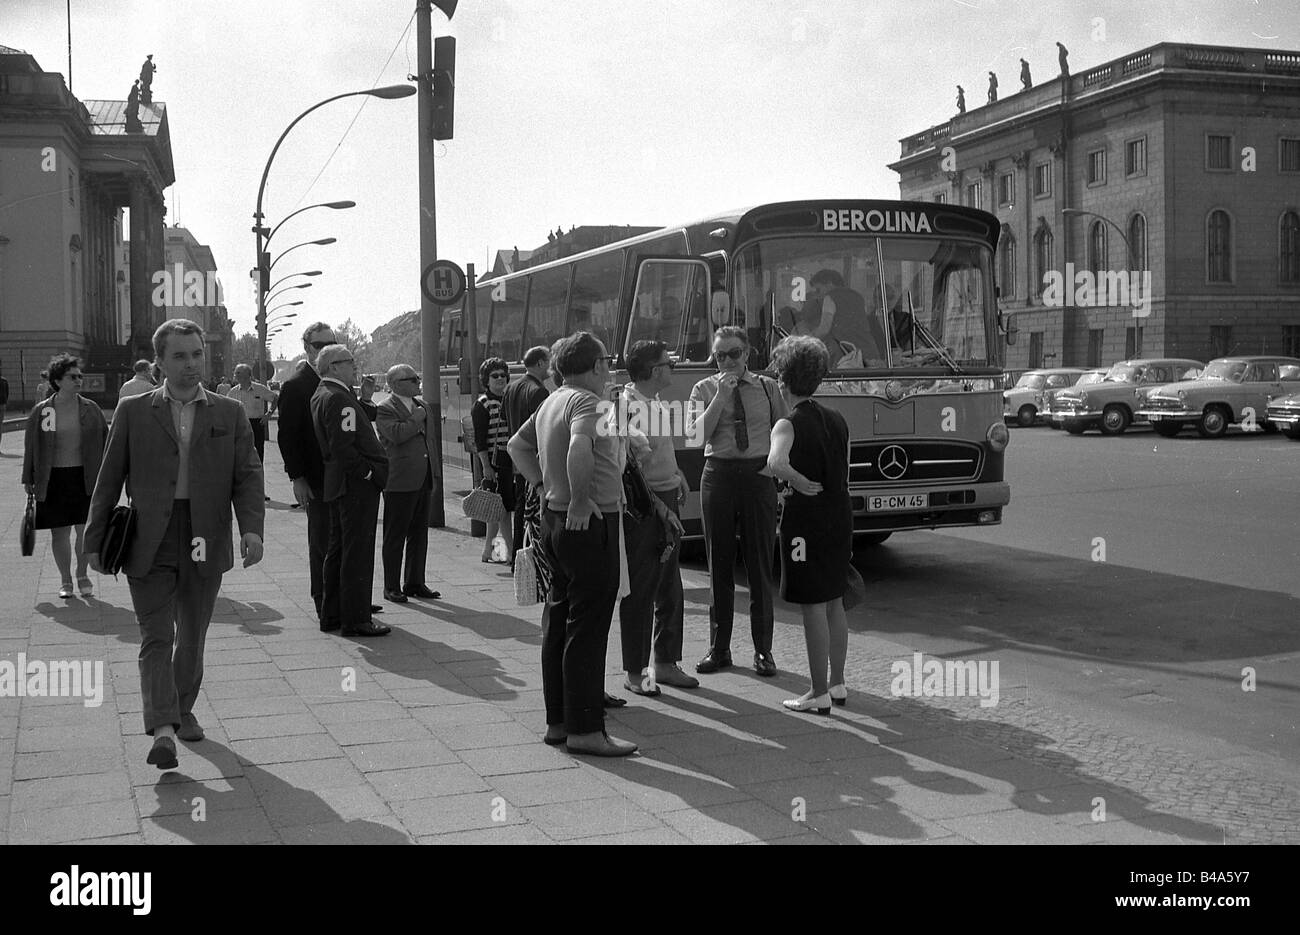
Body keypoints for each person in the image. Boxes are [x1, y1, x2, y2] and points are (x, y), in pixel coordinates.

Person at [84, 319, 264, 770]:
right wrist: (93, 538)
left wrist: (252, 529)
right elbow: (108, 479)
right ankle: (163, 729)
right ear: (160, 362)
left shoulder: (229, 412)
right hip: (149, 537)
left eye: (197, 354)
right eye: (179, 356)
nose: (190, 364)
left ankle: (182, 710)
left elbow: (247, 474)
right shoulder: (133, 411)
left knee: (193, 635)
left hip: (205, 534)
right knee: (155, 635)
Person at [507, 332, 638, 757]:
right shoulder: (588, 403)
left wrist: (546, 484)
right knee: (588, 628)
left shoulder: (551, 401)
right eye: (606, 361)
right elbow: (581, 444)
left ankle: (559, 723)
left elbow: (516, 446)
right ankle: (586, 730)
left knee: (558, 621)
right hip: (588, 520)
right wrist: (580, 499)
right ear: (596, 365)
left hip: (553, 520)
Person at [686, 326, 788, 677]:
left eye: (733, 354)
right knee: (720, 564)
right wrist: (720, 398)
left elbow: (783, 431)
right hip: (719, 474)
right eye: (720, 356)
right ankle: (720, 648)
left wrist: (777, 470)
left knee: (760, 565)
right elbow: (695, 435)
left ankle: (764, 651)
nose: (727, 361)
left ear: (747, 354)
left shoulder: (767, 387)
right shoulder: (704, 388)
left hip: (758, 476)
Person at [766, 336, 852, 715]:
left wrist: (797, 482)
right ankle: (837, 683)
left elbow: (775, 463)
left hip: (807, 518)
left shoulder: (788, 423)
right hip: (839, 513)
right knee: (835, 600)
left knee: (812, 605)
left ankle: (817, 690)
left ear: (783, 381)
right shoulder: (836, 418)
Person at [276, 323, 380, 624]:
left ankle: (346, 599)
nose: (326, 347)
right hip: (319, 478)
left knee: (342, 543)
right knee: (323, 542)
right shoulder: (298, 385)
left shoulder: (333, 382)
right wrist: (297, 477)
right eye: (320, 343)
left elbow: (356, 418)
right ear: (307, 347)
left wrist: (365, 399)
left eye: (331, 342)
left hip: (341, 480)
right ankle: (325, 603)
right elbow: (288, 436)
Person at [617, 341, 695, 693]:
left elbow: (661, 449)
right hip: (644, 506)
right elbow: (630, 469)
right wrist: (659, 505)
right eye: (668, 364)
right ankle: (636, 671)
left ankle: (665, 661)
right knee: (642, 586)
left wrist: (676, 473)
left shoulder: (655, 402)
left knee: (668, 584)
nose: (672, 369)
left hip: (664, 496)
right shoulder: (627, 407)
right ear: (652, 371)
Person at [311, 344, 390, 638]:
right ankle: (357, 619)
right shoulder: (339, 399)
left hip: (340, 484)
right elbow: (344, 446)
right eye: (350, 362)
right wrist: (368, 472)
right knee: (357, 552)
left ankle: (332, 614)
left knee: (339, 549)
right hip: (355, 486)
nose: (355, 366)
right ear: (333, 366)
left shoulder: (325, 394)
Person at [22, 355, 109, 598]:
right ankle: (65, 580)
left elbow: (107, 442)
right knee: (59, 532)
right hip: (54, 478)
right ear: (58, 381)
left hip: (85, 477)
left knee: (84, 530)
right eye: (73, 377)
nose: (79, 380)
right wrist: (28, 478)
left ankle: (82, 575)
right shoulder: (43, 411)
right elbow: (33, 446)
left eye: (80, 376)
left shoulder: (91, 410)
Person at [375, 363, 442, 604]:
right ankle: (391, 586)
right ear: (395, 384)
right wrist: (415, 419)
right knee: (395, 535)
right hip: (399, 480)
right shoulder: (384, 409)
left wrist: (434, 473)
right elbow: (395, 435)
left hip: (422, 477)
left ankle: (414, 581)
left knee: (418, 533)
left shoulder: (422, 406)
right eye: (412, 379)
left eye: (417, 378)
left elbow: (431, 443)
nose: (417, 382)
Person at [501, 345, 550, 567]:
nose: (549, 367)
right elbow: (543, 429)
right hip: (534, 459)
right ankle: (529, 560)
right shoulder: (539, 391)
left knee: (520, 507)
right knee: (533, 510)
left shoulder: (511, 388)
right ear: (540, 363)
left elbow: (504, 419)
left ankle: (516, 558)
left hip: (517, 457)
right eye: (547, 361)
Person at [470, 357, 515, 564]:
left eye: (503, 375)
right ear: (486, 380)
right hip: (495, 462)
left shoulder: (509, 399)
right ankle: (510, 552)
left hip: (509, 459)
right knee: (503, 509)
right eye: (494, 376)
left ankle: (489, 550)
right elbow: (479, 440)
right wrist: (486, 466)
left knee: (496, 509)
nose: (500, 379)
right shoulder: (482, 405)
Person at [802, 269, 886, 368]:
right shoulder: (857, 297)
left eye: (818, 290)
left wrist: (804, 342)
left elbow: (824, 329)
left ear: (829, 283)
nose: (817, 295)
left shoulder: (830, 297)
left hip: (849, 355)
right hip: (870, 351)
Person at [226, 363, 276, 476]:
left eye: (238, 373)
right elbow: (226, 409)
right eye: (235, 373)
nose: (235, 375)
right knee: (241, 457)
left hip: (256, 424)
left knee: (258, 456)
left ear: (247, 375)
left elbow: (275, 398)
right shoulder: (233, 392)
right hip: (240, 425)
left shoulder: (259, 389)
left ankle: (259, 488)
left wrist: (269, 414)